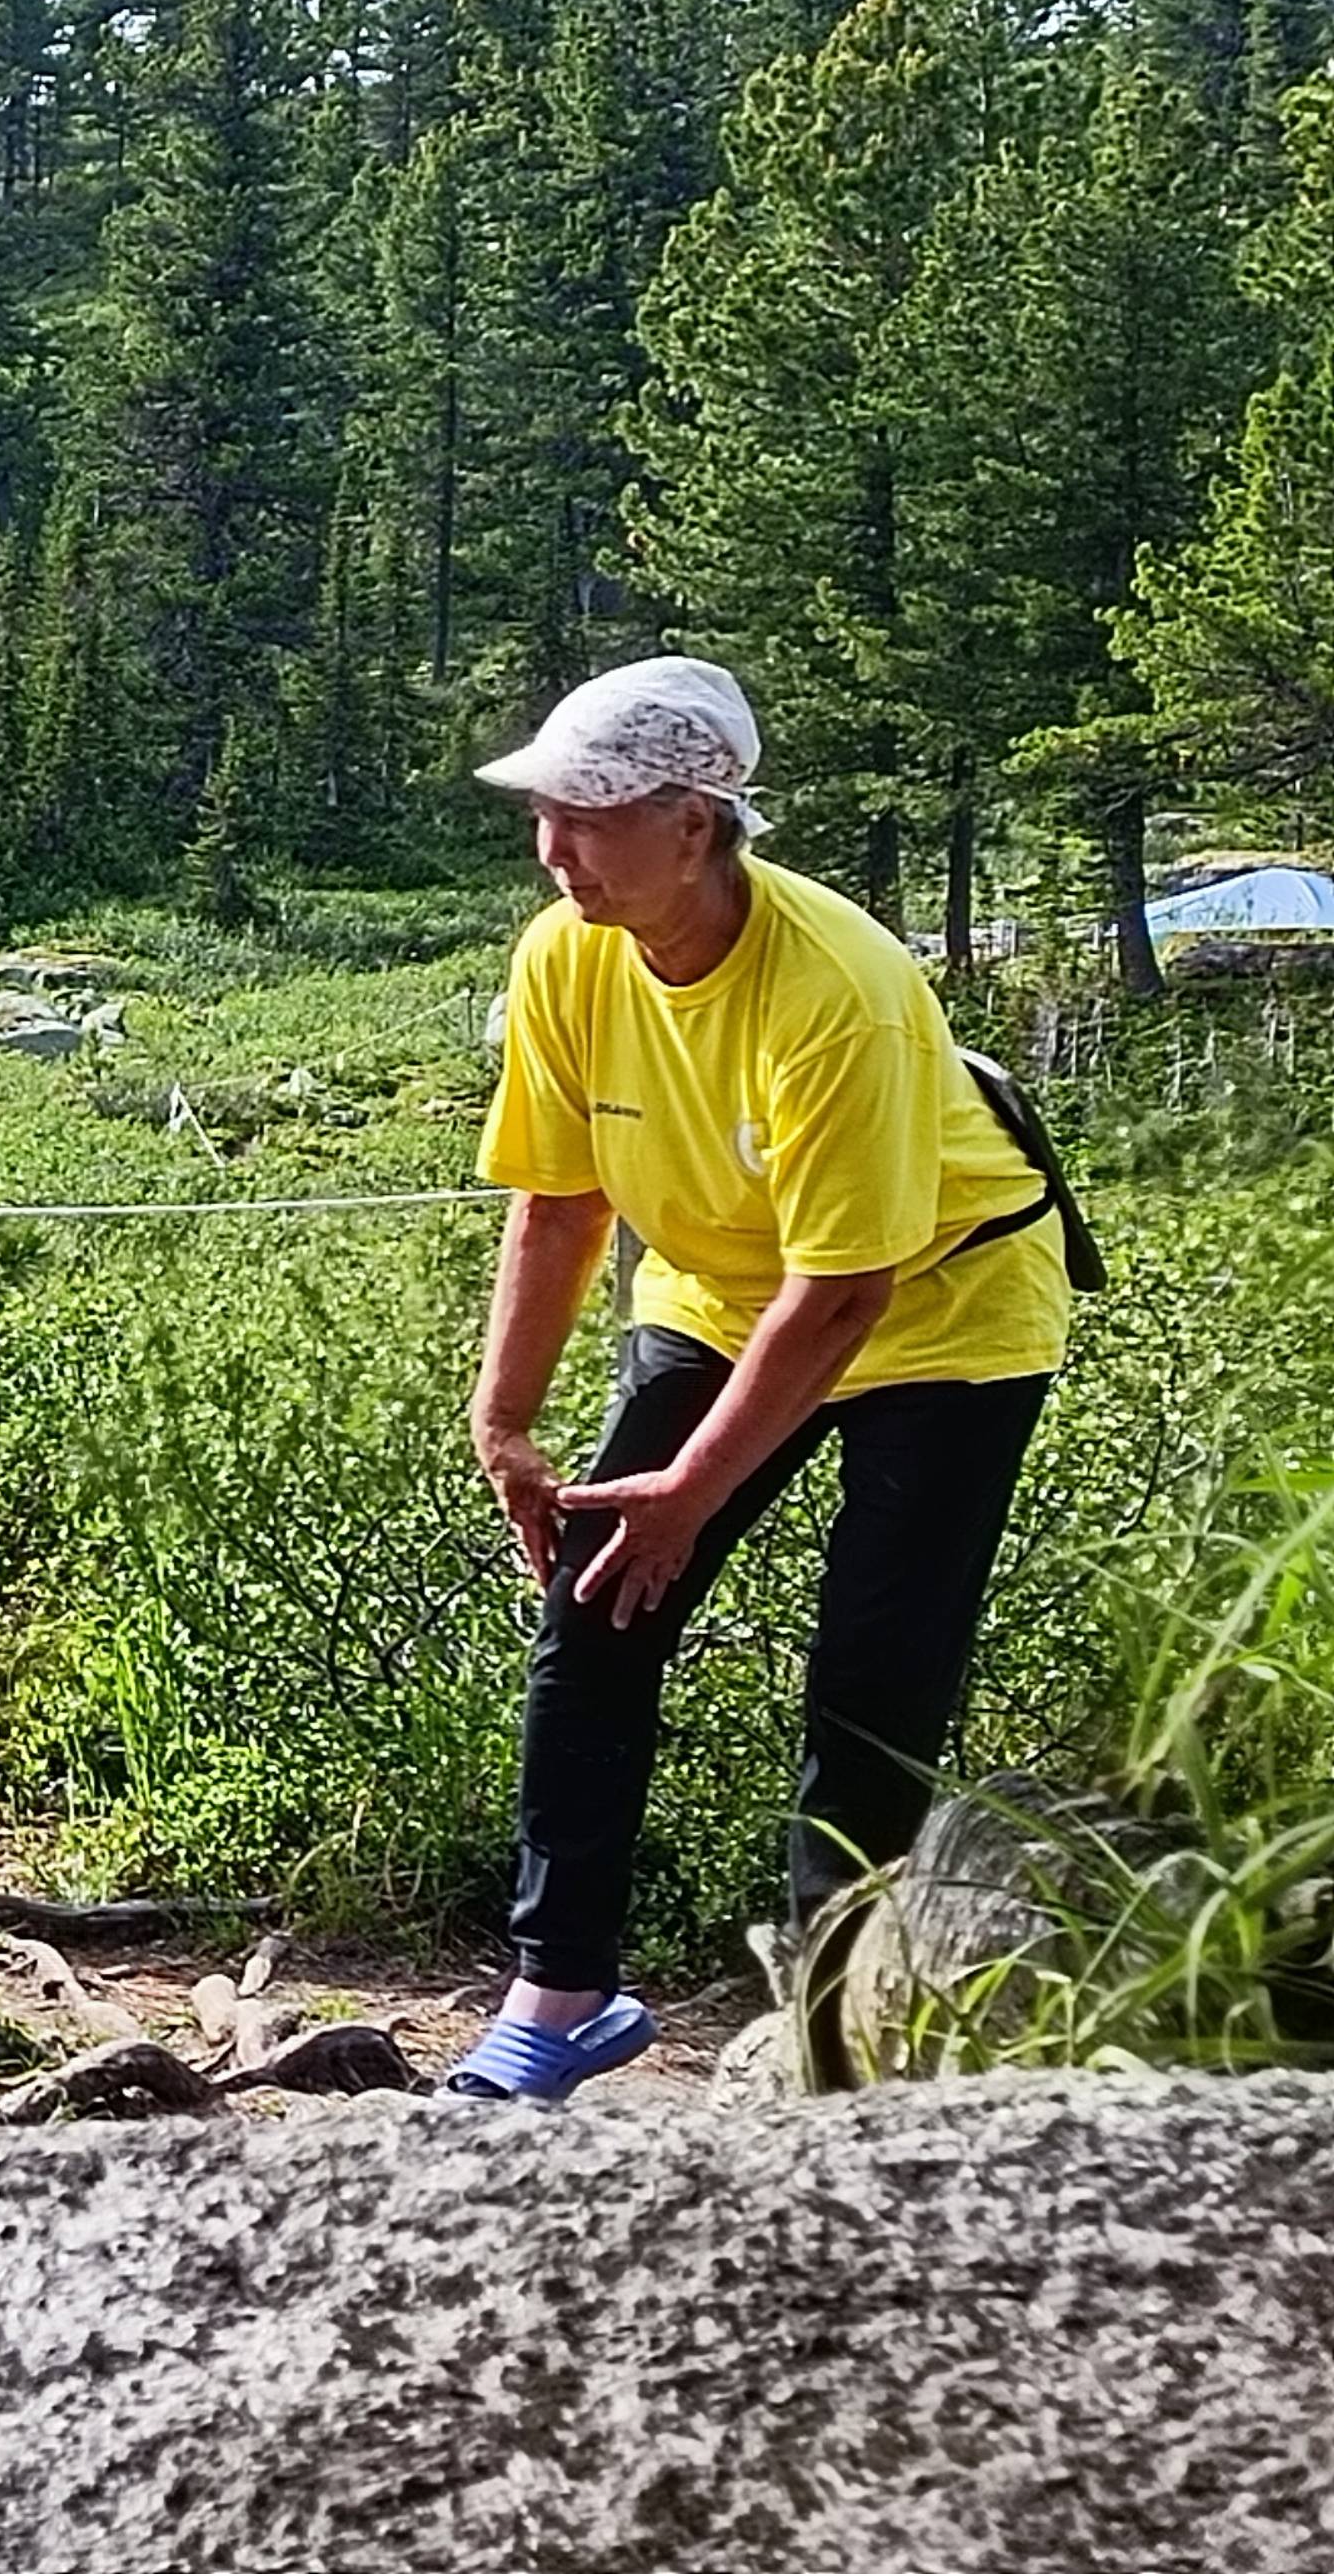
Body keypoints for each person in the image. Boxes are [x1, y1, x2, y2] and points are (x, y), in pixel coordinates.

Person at [456, 656, 1070, 2101]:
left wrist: (692, 1486)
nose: (556, 850)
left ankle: (835, 2033)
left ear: (697, 822)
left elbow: (846, 1285)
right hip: (721, 1293)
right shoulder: (566, 951)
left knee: (874, 1664)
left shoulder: (837, 987)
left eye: (589, 817)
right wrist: (504, 1419)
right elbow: (557, 1204)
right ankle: (561, 1996)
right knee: (597, 1609)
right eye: (543, 811)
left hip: (945, 1310)